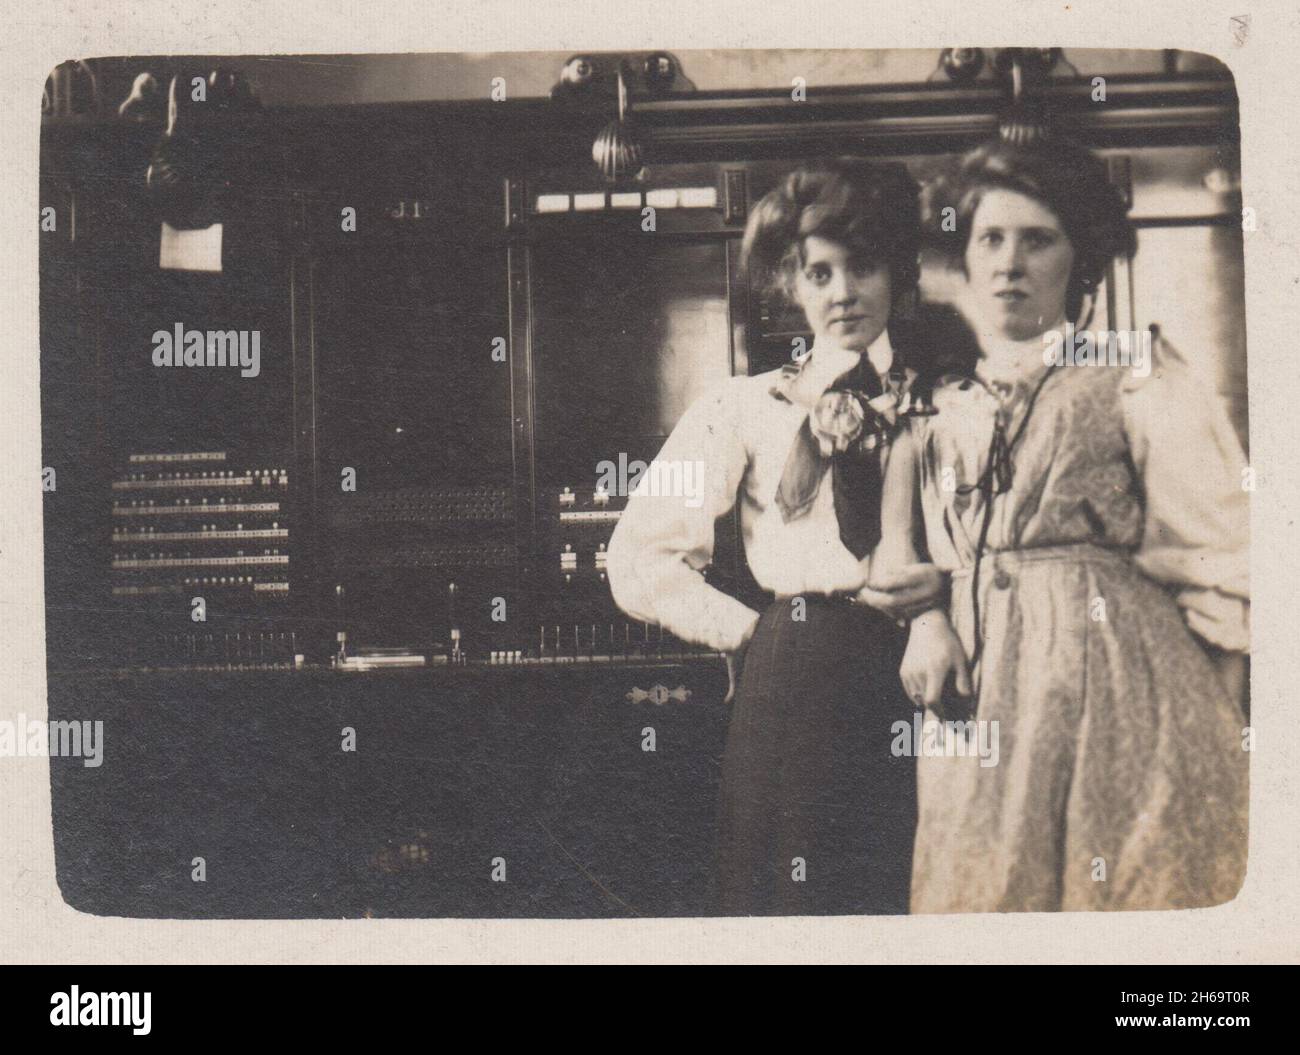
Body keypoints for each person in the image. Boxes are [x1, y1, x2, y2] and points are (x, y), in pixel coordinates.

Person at [897, 134, 1250, 912]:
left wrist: (1211, 726)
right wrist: (926, 618)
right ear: (965, 253)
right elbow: (914, 550)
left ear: (1079, 257)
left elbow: (1223, 561)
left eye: (1038, 240)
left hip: (1117, 699)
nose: (1008, 262)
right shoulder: (941, 393)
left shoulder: (1137, 371)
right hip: (978, 694)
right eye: (990, 238)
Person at [605, 160, 946, 915]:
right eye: (819, 273)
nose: (843, 292)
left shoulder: (945, 400)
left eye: (862, 267)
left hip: (934, 671)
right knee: (798, 901)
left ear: (899, 271)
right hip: (798, 672)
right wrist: (757, 636)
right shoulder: (747, 405)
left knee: (914, 888)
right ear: (792, 284)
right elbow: (637, 557)